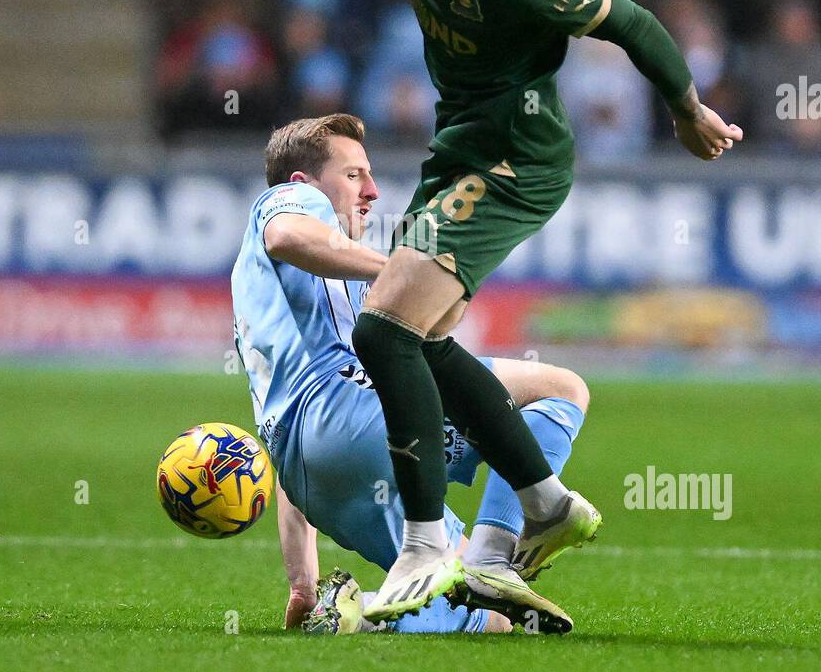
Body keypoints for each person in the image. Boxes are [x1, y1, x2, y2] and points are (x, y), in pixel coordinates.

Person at [168, 0, 742, 622]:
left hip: (514, 160)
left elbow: (634, 22)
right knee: (425, 347)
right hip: (460, 148)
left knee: (384, 331)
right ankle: (540, 505)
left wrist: (688, 112)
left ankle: (430, 539)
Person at [232, 114, 589, 634]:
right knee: (558, 389)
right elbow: (287, 233)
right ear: (302, 183)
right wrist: (404, 275)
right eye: (353, 175)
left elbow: (296, 437)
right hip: (354, 416)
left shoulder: (271, 297)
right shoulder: (290, 203)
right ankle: (495, 550)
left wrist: (301, 584)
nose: (371, 191)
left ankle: (354, 617)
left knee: (492, 620)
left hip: (313, 471)